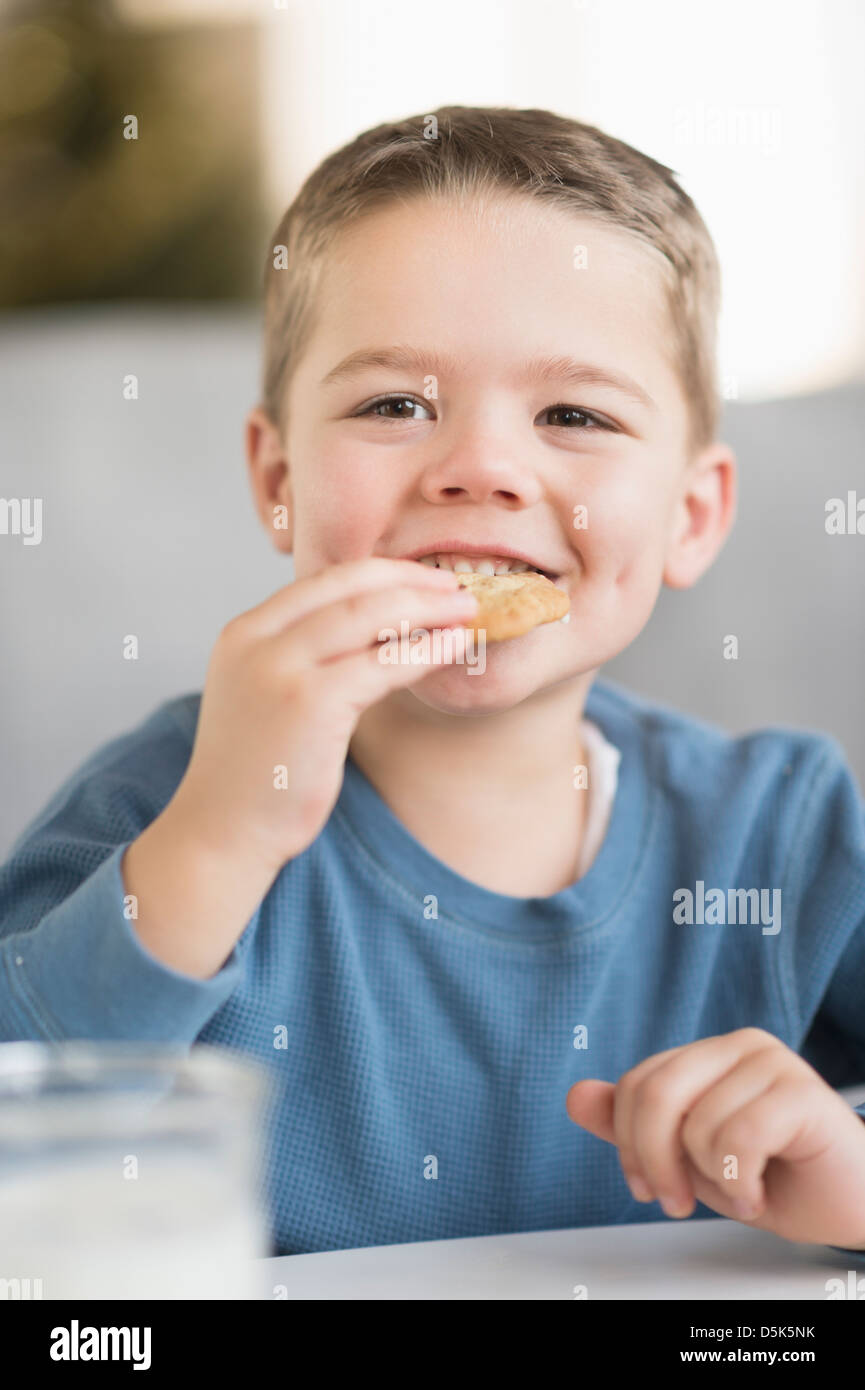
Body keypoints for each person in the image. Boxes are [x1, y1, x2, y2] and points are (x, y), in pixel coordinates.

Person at [2, 106, 865, 1262]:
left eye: (574, 413)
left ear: (690, 513)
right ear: (278, 479)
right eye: (394, 405)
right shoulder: (167, 805)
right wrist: (214, 843)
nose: (481, 469)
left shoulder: (783, 835)